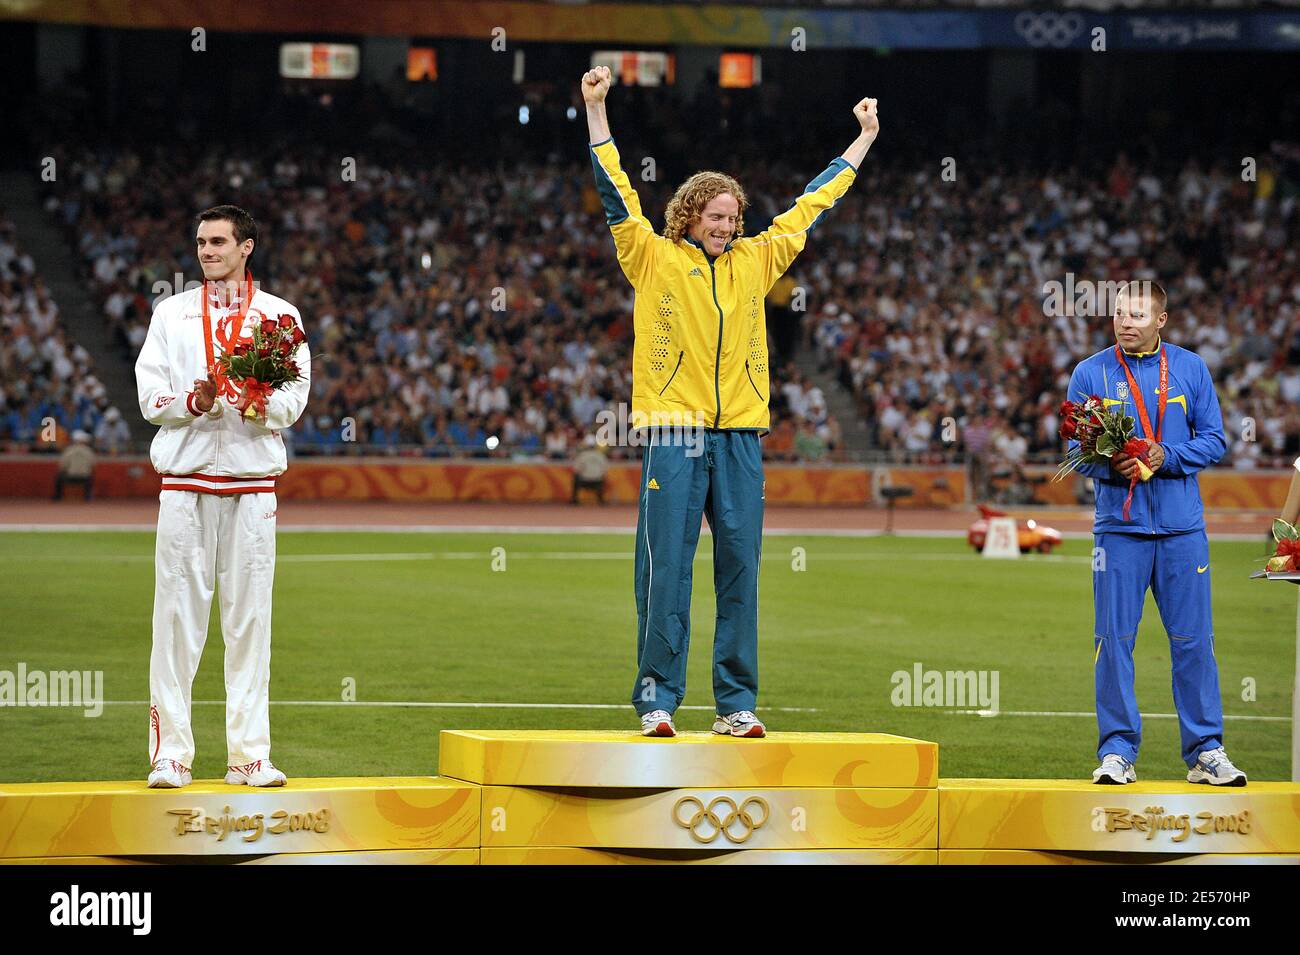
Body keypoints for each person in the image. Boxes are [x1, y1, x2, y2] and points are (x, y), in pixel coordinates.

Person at [582, 64, 879, 737]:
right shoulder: (650, 255)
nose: (727, 225)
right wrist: (596, 110)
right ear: (689, 215)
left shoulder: (757, 259)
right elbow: (614, 191)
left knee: (740, 569)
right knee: (666, 571)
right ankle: (658, 700)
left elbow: (814, 202)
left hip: (741, 435)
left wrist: (862, 137)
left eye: (734, 217)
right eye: (717, 216)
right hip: (675, 431)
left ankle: (735, 703)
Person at [134, 205, 309, 789]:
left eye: (217, 242)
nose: (206, 251)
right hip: (183, 488)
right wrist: (194, 400)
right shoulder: (172, 315)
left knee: (250, 625)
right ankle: (171, 756)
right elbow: (148, 396)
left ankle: (249, 757)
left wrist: (254, 403)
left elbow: (293, 402)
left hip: (252, 490)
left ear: (246, 247)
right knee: (175, 625)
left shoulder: (280, 318)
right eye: (201, 242)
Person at [1066, 280, 1244, 786]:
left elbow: (1214, 441)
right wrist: (1112, 465)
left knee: (1193, 642)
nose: (1126, 321)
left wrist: (1165, 458)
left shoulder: (1190, 369)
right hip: (1118, 531)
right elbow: (1078, 452)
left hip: (1182, 530)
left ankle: (1206, 751)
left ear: (1160, 320)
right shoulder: (1090, 372)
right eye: (1120, 312)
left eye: (1138, 315)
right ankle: (1118, 752)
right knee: (1113, 641)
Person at [54, 430, 95, 500]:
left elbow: (62, 465)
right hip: (84, 477)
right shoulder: (89, 451)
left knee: (58, 477)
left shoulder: (68, 450)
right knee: (90, 477)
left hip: (70, 476)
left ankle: (58, 496)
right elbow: (93, 465)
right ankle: (88, 497)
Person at [571, 435, 609, 504]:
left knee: (575, 478)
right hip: (598, 481)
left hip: (584, 481)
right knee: (604, 478)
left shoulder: (582, 455)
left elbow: (576, 470)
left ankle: (575, 499)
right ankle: (601, 499)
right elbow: (605, 469)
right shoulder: (600, 455)